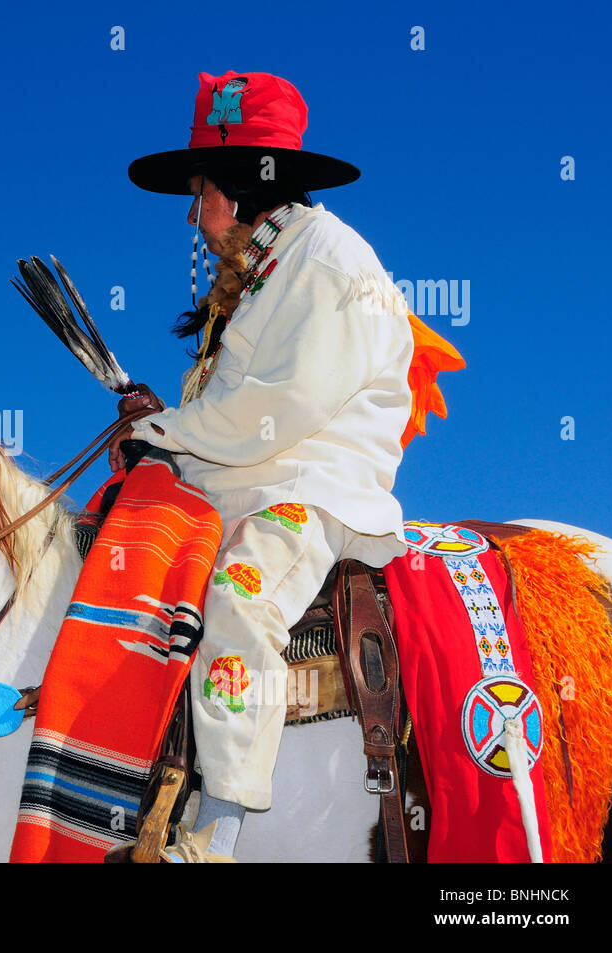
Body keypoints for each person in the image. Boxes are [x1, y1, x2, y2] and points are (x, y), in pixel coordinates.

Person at [114, 70, 421, 859]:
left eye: (200, 192)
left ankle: (218, 826)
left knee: (237, 597)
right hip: (249, 475)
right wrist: (167, 426)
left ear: (249, 181)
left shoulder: (328, 256)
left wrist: (167, 433)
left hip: (308, 485)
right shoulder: (267, 270)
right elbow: (237, 409)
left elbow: (277, 407)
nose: (193, 214)